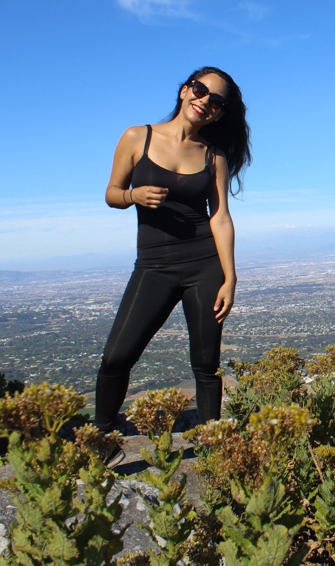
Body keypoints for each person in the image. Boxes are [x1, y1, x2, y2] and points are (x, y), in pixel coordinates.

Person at [95, 66, 250, 444]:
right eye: (200, 90)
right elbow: (112, 192)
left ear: (219, 113)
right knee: (117, 356)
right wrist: (134, 196)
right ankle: (101, 438)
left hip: (204, 266)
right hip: (154, 265)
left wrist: (230, 278)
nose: (205, 102)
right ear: (184, 91)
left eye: (217, 102)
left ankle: (214, 446)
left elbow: (220, 218)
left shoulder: (214, 156)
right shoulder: (137, 137)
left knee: (206, 363)